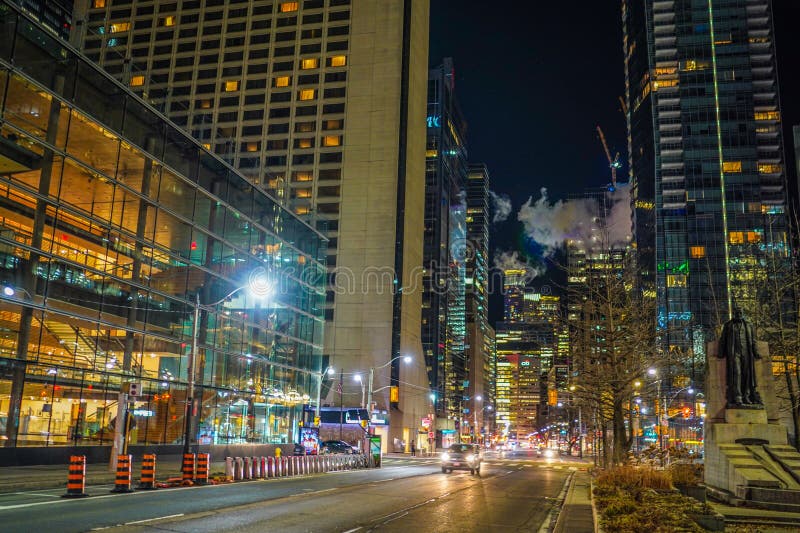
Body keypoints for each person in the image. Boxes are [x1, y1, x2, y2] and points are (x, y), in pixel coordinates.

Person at [718, 306, 761, 406]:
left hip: (746, 352)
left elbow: (753, 340)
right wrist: (721, 353)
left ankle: (746, 396)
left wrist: (755, 352)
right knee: (737, 373)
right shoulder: (728, 325)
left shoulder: (749, 325)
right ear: (734, 314)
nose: (739, 314)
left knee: (747, 375)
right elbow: (723, 339)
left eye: (740, 313)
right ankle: (738, 397)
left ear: (743, 314)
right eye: (737, 313)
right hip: (734, 353)